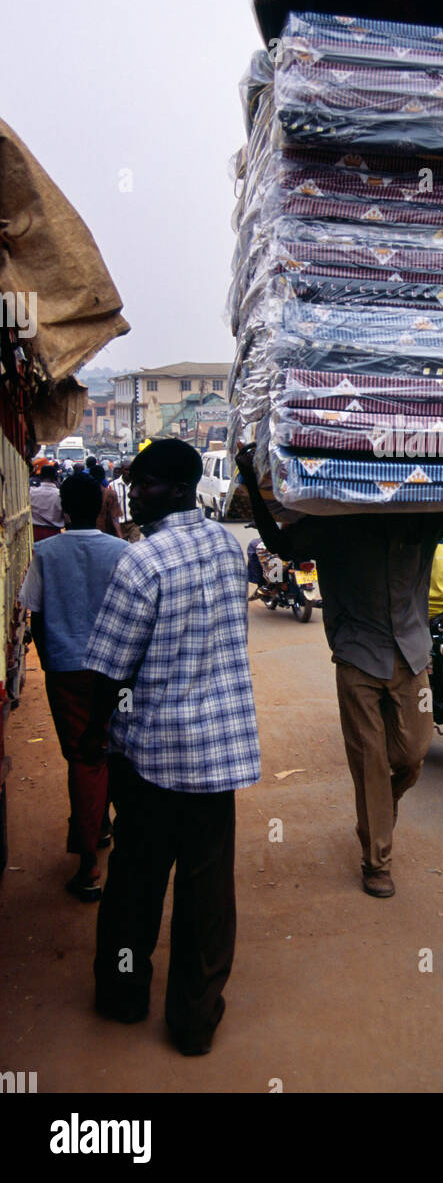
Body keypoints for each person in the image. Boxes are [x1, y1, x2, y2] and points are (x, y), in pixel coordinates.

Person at [235, 442, 443, 899]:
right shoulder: (335, 523)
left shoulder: (424, 516)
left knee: (411, 756)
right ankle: (377, 860)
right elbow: (281, 544)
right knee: (369, 761)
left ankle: (379, 805)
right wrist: (252, 482)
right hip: (357, 658)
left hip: (413, 656)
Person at [83, 439, 260, 1055]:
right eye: (134, 480)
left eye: (149, 482)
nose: (135, 491)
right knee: (207, 896)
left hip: (152, 760)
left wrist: (92, 734)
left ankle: (126, 996)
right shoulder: (227, 547)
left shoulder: (143, 561)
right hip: (216, 758)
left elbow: (108, 670)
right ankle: (194, 1018)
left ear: (181, 488)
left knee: (136, 886)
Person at [18, 474, 128, 900]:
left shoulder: (45, 552)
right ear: (101, 508)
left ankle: (89, 868)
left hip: (67, 672)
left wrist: (50, 663)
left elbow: (38, 618)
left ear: (63, 507)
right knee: (112, 749)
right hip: (116, 673)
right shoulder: (122, 551)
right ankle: (104, 827)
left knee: (83, 757)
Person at [97, 460, 140, 541]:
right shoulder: (112, 485)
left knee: (135, 545)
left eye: (131, 470)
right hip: (119, 524)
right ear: (122, 470)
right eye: (126, 470)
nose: (129, 472)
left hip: (133, 523)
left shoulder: (137, 484)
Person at [29, 463, 65, 542]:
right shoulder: (60, 494)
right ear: (55, 477)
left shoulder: (31, 492)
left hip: (33, 533)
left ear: (41, 476)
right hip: (53, 534)